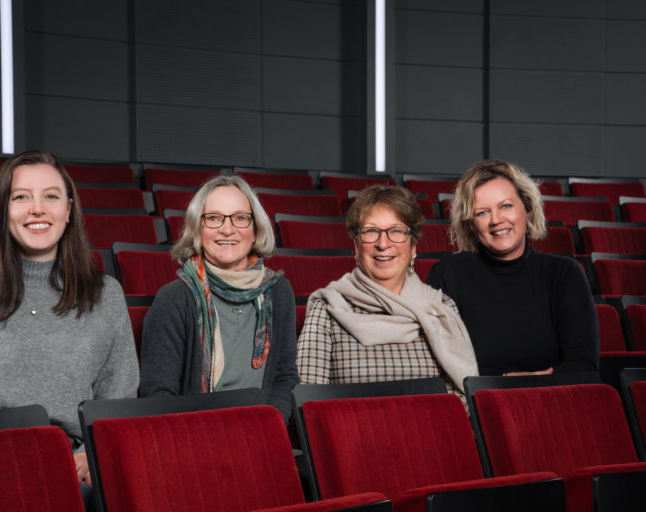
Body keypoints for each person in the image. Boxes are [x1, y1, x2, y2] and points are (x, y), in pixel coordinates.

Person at [0, 150, 139, 505]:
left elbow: (118, 396)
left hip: (78, 467)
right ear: (0, 210)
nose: (37, 208)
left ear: (68, 210)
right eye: (21, 197)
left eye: (50, 196)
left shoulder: (105, 294)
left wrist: (89, 455)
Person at [140, 174, 298, 420]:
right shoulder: (174, 299)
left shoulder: (279, 292)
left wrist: (269, 427)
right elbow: (159, 396)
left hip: (263, 433)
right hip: (195, 437)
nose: (227, 229)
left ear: (255, 230)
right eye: (213, 218)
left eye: (240, 218)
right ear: (196, 229)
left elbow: (284, 377)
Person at [296, 185, 477, 394]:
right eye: (371, 231)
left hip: (429, 426)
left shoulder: (442, 307)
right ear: (356, 246)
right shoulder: (326, 310)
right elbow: (308, 400)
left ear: (413, 247)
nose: (383, 244)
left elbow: (461, 397)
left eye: (396, 231)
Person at [426, 159, 599, 376]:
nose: (496, 220)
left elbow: (584, 367)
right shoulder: (447, 275)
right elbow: (440, 364)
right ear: (471, 224)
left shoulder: (564, 274)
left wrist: (535, 385)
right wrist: (506, 381)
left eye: (506, 206)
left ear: (526, 209)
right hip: (475, 402)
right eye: (482, 213)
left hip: (553, 401)